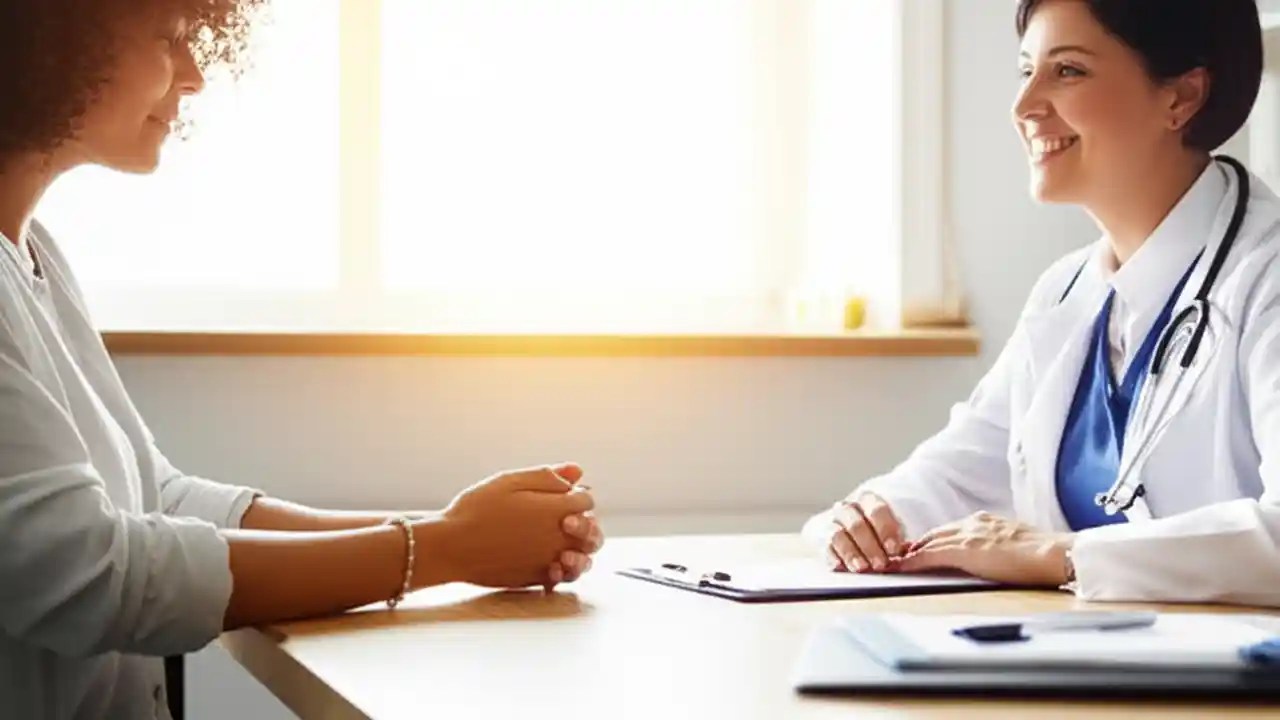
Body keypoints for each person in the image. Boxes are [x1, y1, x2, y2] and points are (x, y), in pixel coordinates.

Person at [0, 1, 605, 717]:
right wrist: (445, 548)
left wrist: (461, 531)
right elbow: (88, 574)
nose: (193, 76)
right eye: (169, 39)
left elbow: (158, 501)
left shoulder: (35, 255)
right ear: (41, 45)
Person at [806, 0, 1280, 607]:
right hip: (1090, 667)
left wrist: (1062, 556)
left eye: (1068, 71)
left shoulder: (1264, 275)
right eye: (1025, 70)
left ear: (1180, 98)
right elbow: (955, 474)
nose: (1024, 106)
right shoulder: (1067, 291)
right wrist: (866, 521)